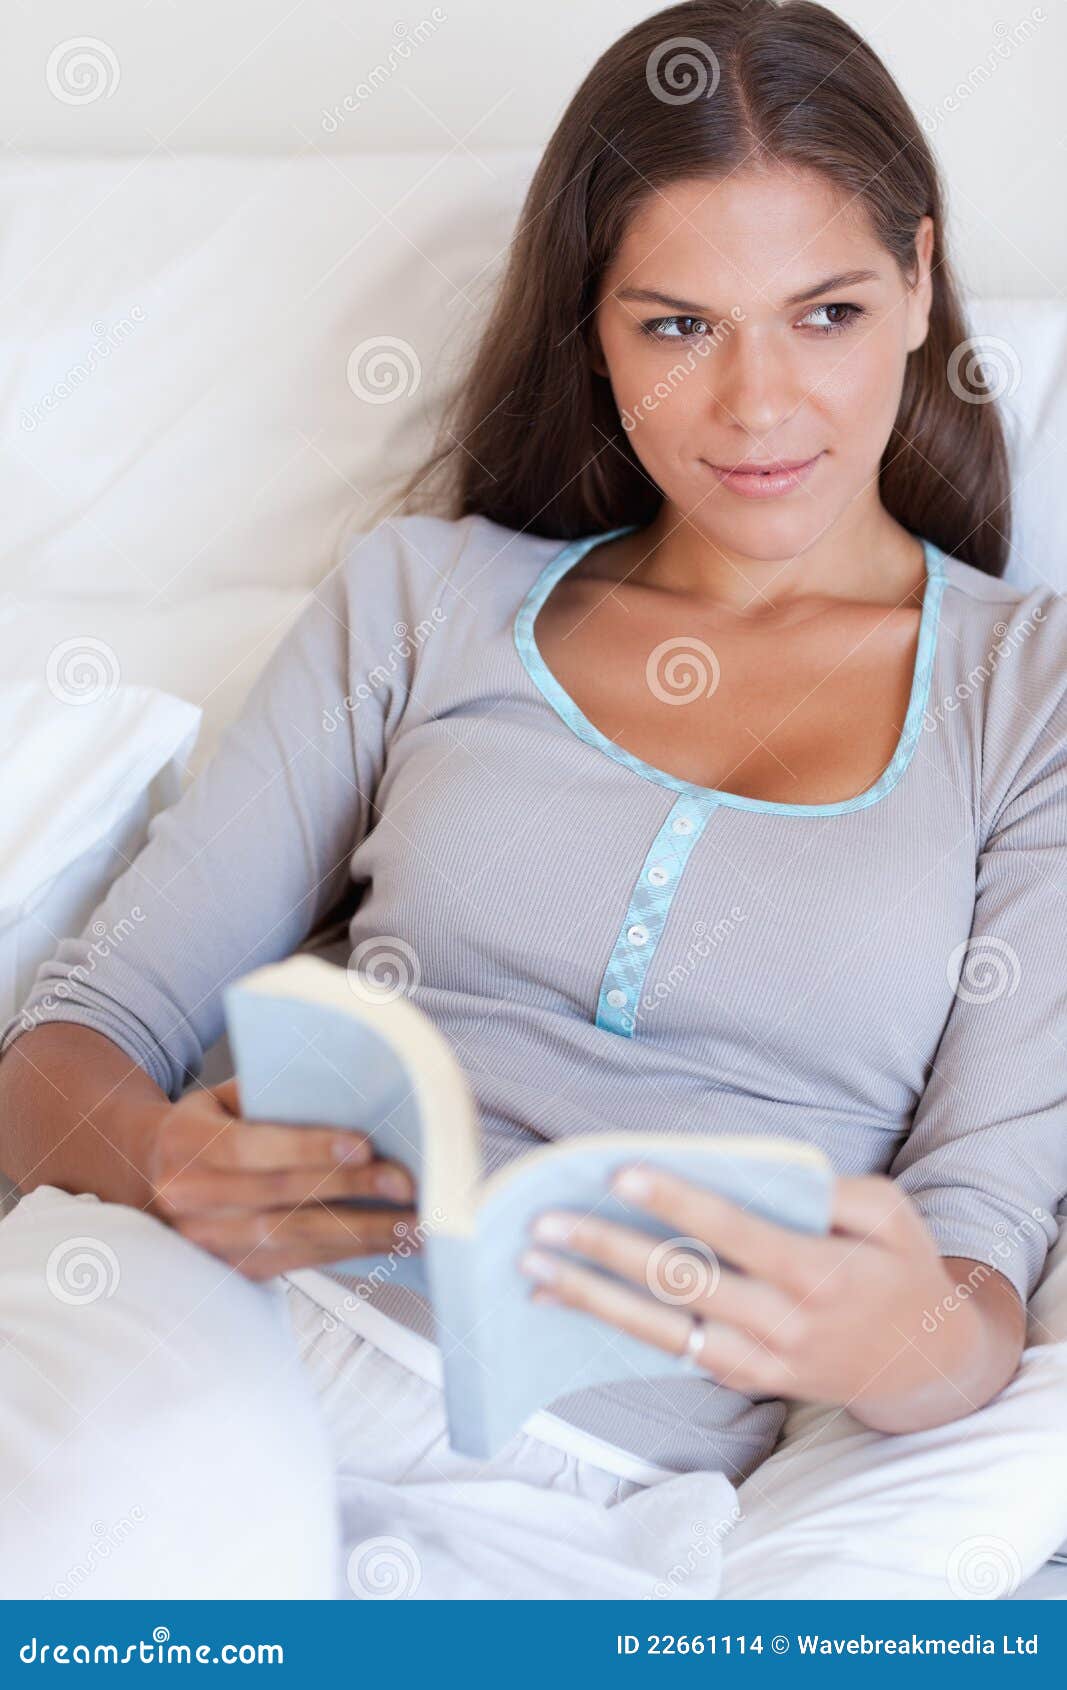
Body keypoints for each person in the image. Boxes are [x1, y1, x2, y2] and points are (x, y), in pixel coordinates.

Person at [2, 0, 1066, 1600]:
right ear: (591, 329)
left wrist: (891, 1331)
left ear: (920, 281)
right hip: (217, 1339)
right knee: (140, 1535)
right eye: (679, 325)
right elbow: (65, 1050)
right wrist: (157, 1156)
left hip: (603, 1498)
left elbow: (981, 1264)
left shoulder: (1030, 694)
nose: (761, 407)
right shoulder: (423, 599)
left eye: (826, 311)